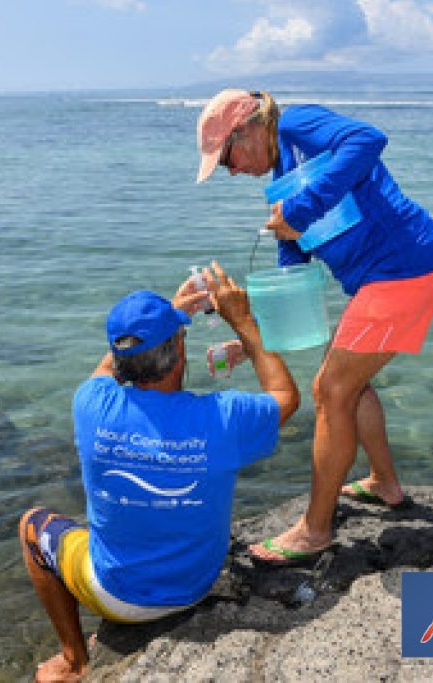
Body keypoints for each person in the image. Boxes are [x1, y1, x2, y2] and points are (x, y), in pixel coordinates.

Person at [195, 89, 433, 565]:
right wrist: (249, 341)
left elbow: (367, 139)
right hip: (382, 279)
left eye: (227, 157)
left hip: (405, 267)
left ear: (248, 128)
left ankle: (315, 530)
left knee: (330, 390)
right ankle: (384, 483)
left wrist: (299, 211)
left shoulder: (296, 126)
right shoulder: (279, 185)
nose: (231, 171)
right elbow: (292, 274)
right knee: (349, 385)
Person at [19, 261, 299, 682]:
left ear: (121, 358)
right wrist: (245, 323)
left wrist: (170, 316)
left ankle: (74, 661)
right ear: (180, 351)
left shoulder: (91, 405)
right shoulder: (222, 419)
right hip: (195, 585)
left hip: (116, 595)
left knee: (32, 526)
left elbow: (108, 367)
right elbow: (285, 395)